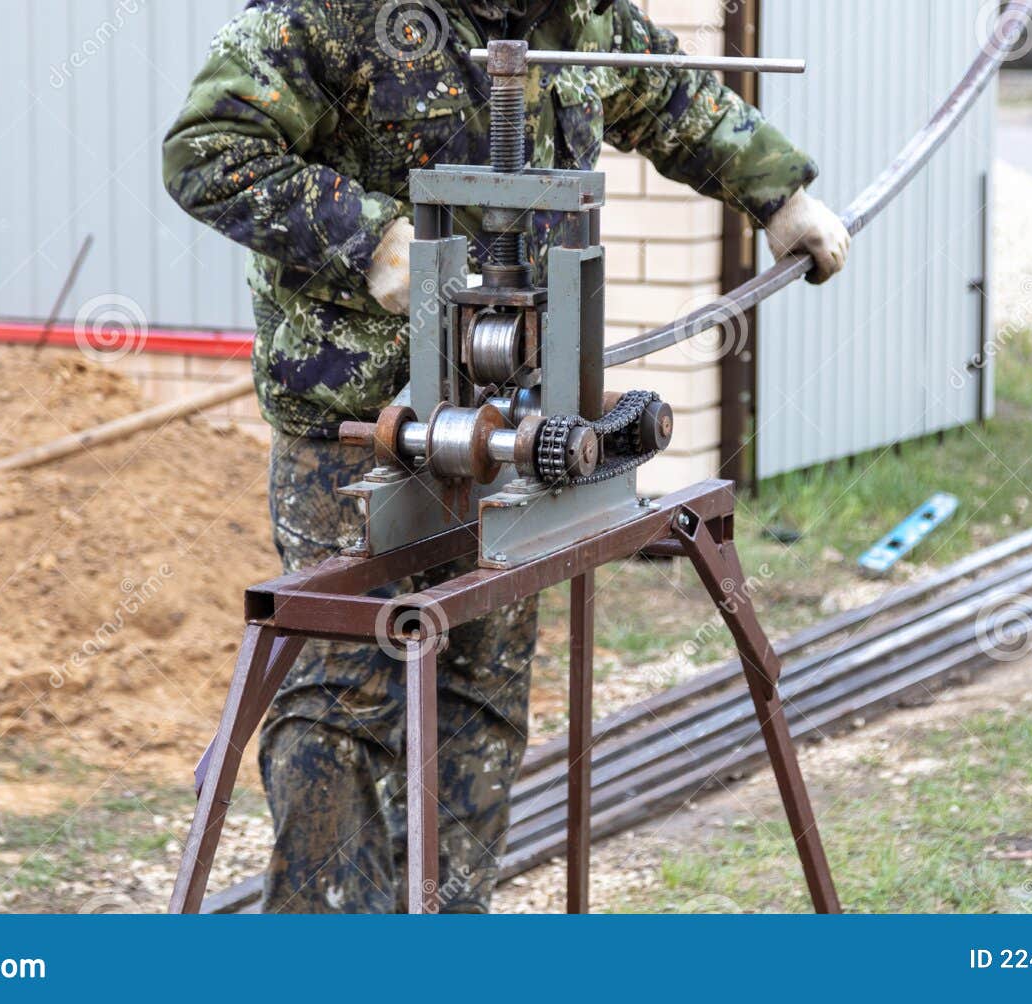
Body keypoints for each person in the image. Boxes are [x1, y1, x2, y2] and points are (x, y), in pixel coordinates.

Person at [162, 0, 848, 912]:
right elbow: (208, 149)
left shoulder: (582, 15)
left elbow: (672, 96)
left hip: (511, 422)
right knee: (343, 703)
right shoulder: (330, 14)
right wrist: (370, 241)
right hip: (358, 426)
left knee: (478, 701)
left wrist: (781, 195)